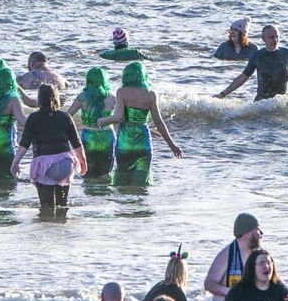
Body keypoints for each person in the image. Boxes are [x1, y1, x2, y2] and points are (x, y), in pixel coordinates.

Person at [96, 61, 182, 177]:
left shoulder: (122, 92)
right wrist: (173, 146)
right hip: (143, 142)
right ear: (143, 76)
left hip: (125, 143)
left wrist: (103, 121)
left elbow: (118, 117)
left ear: (126, 75)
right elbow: (159, 122)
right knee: (142, 180)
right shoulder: (151, 94)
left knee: (123, 179)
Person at [13, 84, 87, 215]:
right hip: (65, 163)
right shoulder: (65, 117)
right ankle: (62, 226)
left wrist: (15, 162)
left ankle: (48, 227)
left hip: (46, 165)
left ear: (39, 99)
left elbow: (24, 144)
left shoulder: (33, 118)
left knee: (46, 207)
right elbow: (76, 143)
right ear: (56, 97)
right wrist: (83, 162)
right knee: (62, 205)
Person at [218, 24, 288, 102]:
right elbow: (243, 77)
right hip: (261, 103)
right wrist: (223, 94)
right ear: (263, 39)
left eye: (277, 37)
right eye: (271, 37)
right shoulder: (257, 56)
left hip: (280, 103)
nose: (275, 40)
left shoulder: (287, 53)